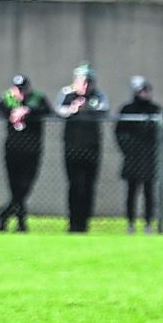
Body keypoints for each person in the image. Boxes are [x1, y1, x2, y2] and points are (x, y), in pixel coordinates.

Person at [0, 74, 51, 232]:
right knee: (15, 187)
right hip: (13, 150)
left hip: (32, 150)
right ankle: (21, 223)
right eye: (18, 89)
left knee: (25, 187)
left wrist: (28, 111)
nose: (21, 92)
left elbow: (48, 111)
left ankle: (4, 213)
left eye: (24, 88)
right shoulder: (8, 99)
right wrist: (12, 113)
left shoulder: (37, 99)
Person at [57, 63, 109, 233]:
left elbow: (104, 110)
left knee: (88, 186)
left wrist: (87, 109)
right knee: (74, 185)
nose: (85, 86)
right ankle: (73, 223)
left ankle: (84, 223)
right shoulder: (67, 94)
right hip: (72, 148)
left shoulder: (98, 96)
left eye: (89, 82)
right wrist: (73, 110)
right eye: (83, 82)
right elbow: (59, 110)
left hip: (92, 148)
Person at [115, 76, 162, 234]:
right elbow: (119, 133)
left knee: (149, 193)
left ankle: (149, 224)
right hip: (132, 157)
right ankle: (131, 224)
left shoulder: (155, 110)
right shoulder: (127, 110)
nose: (145, 93)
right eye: (142, 90)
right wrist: (128, 149)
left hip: (149, 158)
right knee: (131, 192)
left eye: (147, 90)